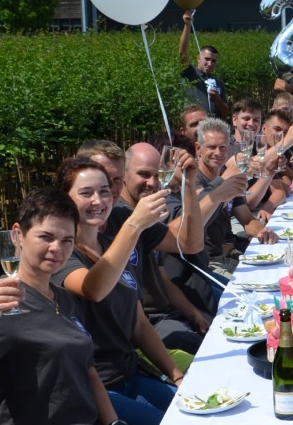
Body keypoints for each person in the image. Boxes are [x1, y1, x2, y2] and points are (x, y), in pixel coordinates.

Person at [0, 187, 121, 425]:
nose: (57, 248)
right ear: (18, 236)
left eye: (66, 240)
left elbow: (87, 370)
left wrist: (114, 422)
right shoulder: (0, 301)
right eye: (46, 237)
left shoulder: (66, 299)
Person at [54, 158, 185, 425]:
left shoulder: (111, 245)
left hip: (131, 376)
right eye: (86, 192)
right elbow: (94, 289)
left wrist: (177, 375)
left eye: (104, 191)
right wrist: (134, 225)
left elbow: (138, 322)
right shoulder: (61, 255)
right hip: (98, 389)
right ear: (64, 199)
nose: (98, 200)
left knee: (199, 408)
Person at [121, 142, 212, 354]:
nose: (152, 182)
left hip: (170, 314)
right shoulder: (122, 216)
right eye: (143, 174)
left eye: (157, 174)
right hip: (149, 325)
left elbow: (189, 246)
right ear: (122, 175)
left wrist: (188, 186)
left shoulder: (146, 216)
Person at [194, 118, 279, 278]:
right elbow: (203, 214)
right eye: (211, 147)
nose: (218, 153)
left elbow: (246, 219)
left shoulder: (229, 174)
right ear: (198, 148)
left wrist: (263, 231)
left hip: (232, 251)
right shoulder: (193, 179)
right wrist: (228, 178)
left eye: (223, 148)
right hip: (210, 262)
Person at [178, 10, 229, 119]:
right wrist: (187, 26)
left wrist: (217, 98)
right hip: (194, 126)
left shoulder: (218, 83)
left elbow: (225, 113)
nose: (210, 63)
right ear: (198, 59)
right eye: (207, 59)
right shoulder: (189, 73)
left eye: (213, 61)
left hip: (213, 128)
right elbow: (182, 52)